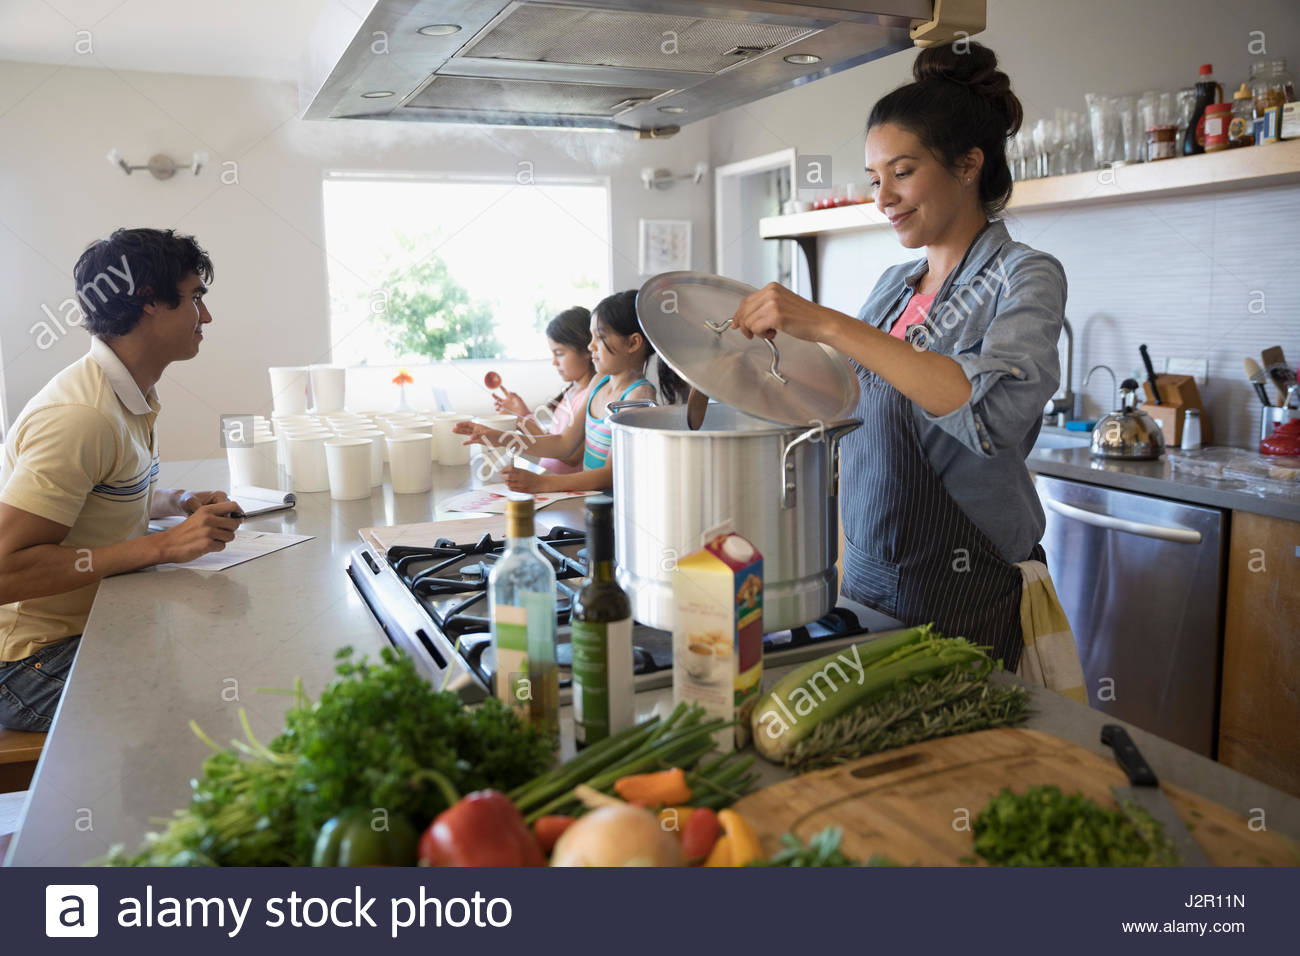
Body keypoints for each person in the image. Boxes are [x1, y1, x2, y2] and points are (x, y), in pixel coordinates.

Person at [730, 43, 1067, 670]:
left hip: (963, 583)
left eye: (902, 172)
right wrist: (757, 360)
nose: (883, 197)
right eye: (874, 179)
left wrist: (826, 322)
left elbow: (989, 416)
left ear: (968, 165)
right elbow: (843, 400)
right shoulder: (895, 287)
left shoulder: (1024, 275)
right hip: (865, 571)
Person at [0, 228, 242, 731]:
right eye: (195, 297)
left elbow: (99, 498)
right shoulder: (81, 416)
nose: (206, 316)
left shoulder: (128, 393)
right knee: (205, 706)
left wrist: (177, 500)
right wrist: (162, 547)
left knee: (231, 660)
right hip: (29, 664)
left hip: (92, 626)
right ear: (149, 300)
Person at [460, 290, 686, 494]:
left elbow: (610, 474)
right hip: (589, 501)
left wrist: (544, 483)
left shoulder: (638, 397)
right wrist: (499, 437)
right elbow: (563, 444)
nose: (590, 346)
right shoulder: (598, 382)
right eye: (591, 337)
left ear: (633, 343)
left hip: (613, 507)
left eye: (600, 337)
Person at [470, 306, 596, 475]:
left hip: (563, 485)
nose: (554, 362)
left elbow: (569, 455)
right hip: (547, 477)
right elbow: (552, 440)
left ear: (587, 350)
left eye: (559, 353)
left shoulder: (592, 397)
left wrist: (519, 420)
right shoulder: (571, 392)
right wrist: (523, 414)